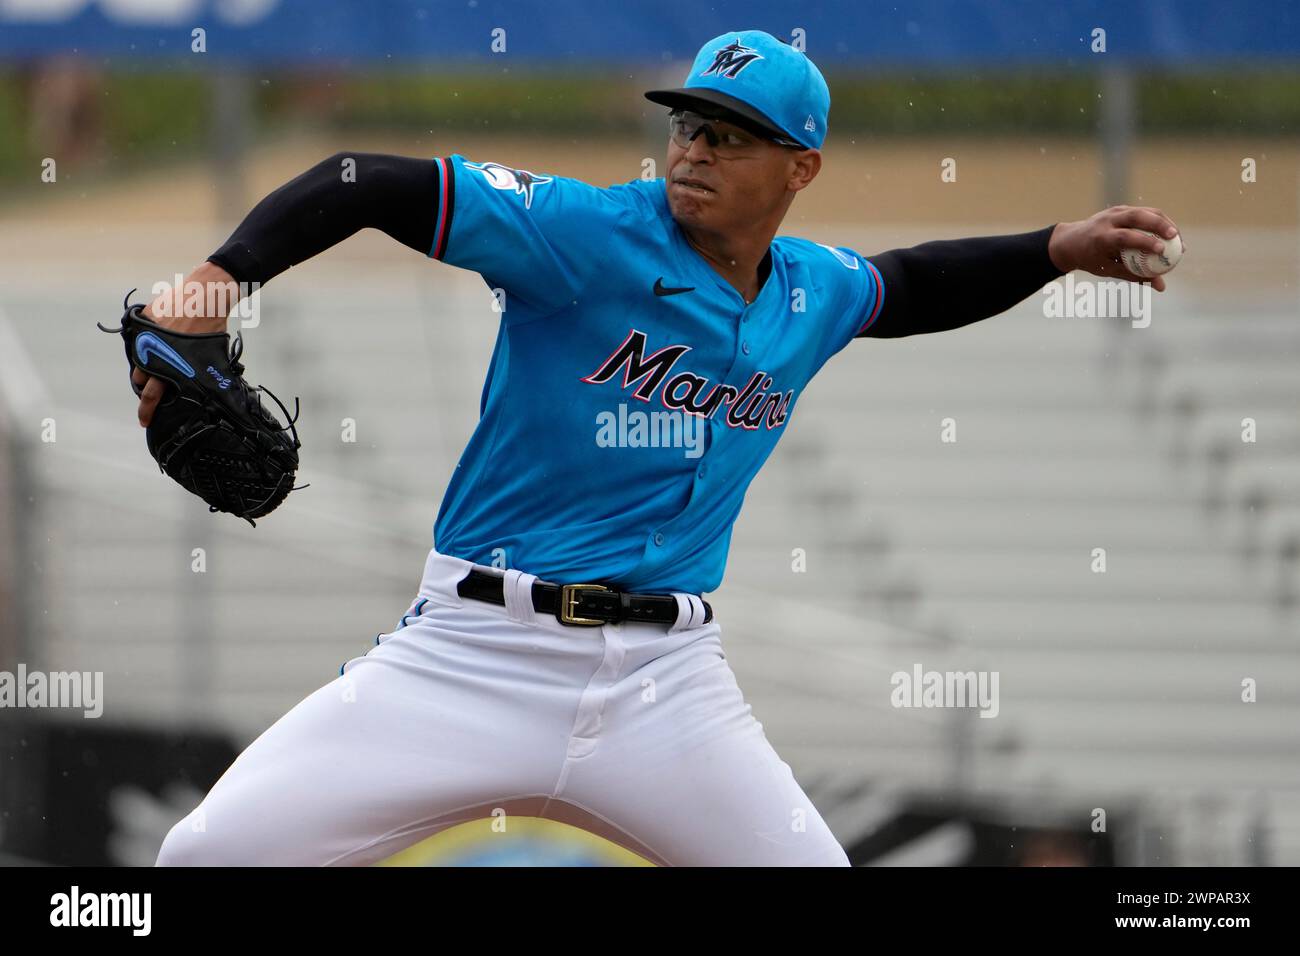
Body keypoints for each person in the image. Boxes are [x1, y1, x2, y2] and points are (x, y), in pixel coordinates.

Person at [147, 30, 1178, 866]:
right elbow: (362, 178)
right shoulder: (582, 233)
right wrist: (213, 283)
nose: (693, 148)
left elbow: (908, 286)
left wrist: (1054, 250)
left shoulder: (811, 292)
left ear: (798, 165)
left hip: (665, 684)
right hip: (474, 654)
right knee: (205, 858)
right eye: (688, 123)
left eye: (731, 134)